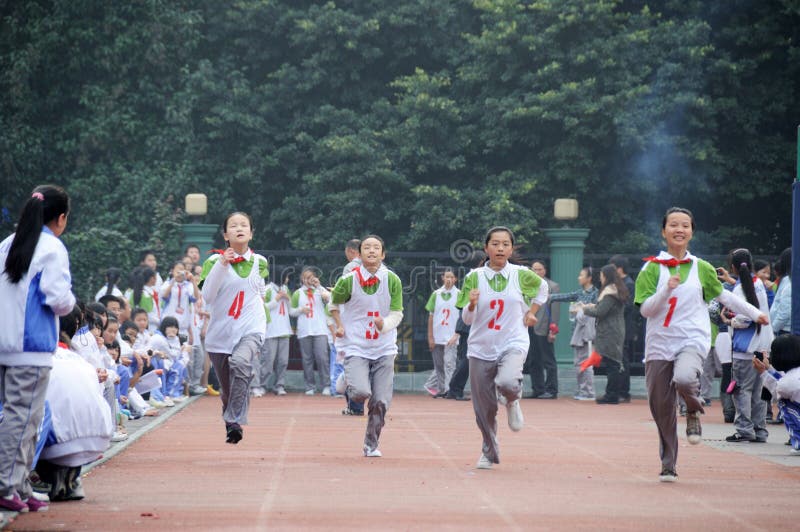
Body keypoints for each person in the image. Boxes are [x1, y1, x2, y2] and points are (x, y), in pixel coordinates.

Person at [634, 207, 768, 482]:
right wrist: (666, 289)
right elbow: (646, 310)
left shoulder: (701, 267)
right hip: (659, 345)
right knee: (661, 408)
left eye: (685, 225)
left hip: (692, 340)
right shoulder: (652, 268)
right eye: (673, 225)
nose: (679, 229)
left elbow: (727, 299)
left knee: (684, 379)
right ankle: (668, 463)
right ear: (664, 231)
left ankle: (693, 407)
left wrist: (756, 314)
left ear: (692, 231)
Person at [0, 185, 76, 513]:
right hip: (30, 345)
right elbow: (58, 299)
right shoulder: (52, 248)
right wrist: (71, 303)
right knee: (24, 417)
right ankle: (7, 484)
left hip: (5, 339)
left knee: (18, 415)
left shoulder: (7, 243)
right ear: (60, 218)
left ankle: (18, 484)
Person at [457, 227, 548, 469]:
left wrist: (532, 312)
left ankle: (512, 400)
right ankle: (488, 450)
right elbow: (466, 319)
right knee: (484, 409)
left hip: (513, 341)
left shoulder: (521, 274)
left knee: (508, 381)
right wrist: (472, 304)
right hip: (480, 347)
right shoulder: (473, 277)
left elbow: (543, 289)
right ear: (486, 247)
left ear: (511, 248)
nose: (500, 248)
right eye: (495, 244)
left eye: (505, 244)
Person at [330, 235, 403, 457]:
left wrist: (385, 324)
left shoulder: (392, 280)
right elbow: (333, 303)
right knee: (361, 393)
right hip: (356, 345)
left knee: (380, 401)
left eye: (376, 248)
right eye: (367, 248)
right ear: (359, 254)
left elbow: (397, 312)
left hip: (383, 347)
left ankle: (371, 443)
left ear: (383, 254)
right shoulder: (348, 280)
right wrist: (340, 325)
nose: (371, 251)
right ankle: (348, 380)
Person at [200, 211, 268, 444]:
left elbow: (260, 293)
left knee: (240, 363)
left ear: (251, 232)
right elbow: (207, 296)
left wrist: (262, 323)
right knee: (228, 391)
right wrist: (222, 264)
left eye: (244, 225)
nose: (239, 228)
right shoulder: (212, 262)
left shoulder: (260, 262)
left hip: (251, 329)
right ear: (225, 234)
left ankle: (235, 418)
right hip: (220, 334)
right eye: (233, 225)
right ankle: (232, 422)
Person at [725, 248, 774, 443]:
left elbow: (745, 319)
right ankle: (759, 430)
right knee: (758, 390)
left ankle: (744, 429)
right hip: (763, 345)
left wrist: (730, 321)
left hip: (745, 347)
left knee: (741, 389)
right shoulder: (759, 283)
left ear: (733, 267)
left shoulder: (739, 289)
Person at [578, 264, 628, 404]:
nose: (600, 277)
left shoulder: (610, 292)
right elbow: (604, 308)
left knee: (612, 364)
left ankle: (611, 395)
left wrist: (584, 309)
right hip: (614, 329)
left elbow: (600, 312)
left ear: (606, 276)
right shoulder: (615, 290)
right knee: (613, 363)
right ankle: (613, 394)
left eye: (601, 275)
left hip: (610, 331)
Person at [549, 266, 598, 400]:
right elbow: (565, 296)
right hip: (577, 333)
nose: (579, 278)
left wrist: (583, 308)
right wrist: (548, 297)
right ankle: (582, 390)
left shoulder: (596, 294)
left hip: (588, 334)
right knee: (578, 363)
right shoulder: (579, 293)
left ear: (589, 278)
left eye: (582, 275)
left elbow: (598, 309)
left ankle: (588, 392)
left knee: (587, 363)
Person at [755, 334, 800, 454]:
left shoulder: (788, 382)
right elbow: (783, 380)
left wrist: (763, 373)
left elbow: (778, 392)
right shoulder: (794, 374)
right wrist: (769, 369)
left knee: (783, 405)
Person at [291, 267, 332, 395]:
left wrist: (319, 286)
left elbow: (331, 299)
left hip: (320, 329)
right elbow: (291, 311)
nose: (308, 280)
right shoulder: (298, 293)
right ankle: (310, 386)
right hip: (304, 329)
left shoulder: (319, 291)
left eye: (310, 277)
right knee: (307, 359)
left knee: (322, 357)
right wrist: (300, 310)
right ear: (302, 279)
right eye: (305, 278)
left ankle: (326, 385)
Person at [425, 269, 461, 398]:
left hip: (451, 335)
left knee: (449, 363)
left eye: (451, 277)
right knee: (439, 365)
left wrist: (458, 333)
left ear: (455, 279)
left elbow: (463, 315)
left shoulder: (459, 295)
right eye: (447, 277)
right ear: (442, 278)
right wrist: (430, 337)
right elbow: (431, 315)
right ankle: (440, 389)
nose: (449, 279)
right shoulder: (436, 294)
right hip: (437, 334)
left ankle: (448, 389)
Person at [257, 269, 293, 396]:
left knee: (283, 361)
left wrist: (288, 299)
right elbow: (262, 307)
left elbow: (290, 310)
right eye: (286, 277)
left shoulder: (285, 289)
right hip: (271, 330)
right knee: (268, 361)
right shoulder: (267, 289)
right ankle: (262, 385)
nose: (288, 280)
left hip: (285, 329)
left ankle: (279, 385)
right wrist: (276, 299)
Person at [528, 260, 560, 399]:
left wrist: (552, 329)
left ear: (544, 270)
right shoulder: (528, 286)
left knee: (548, 360)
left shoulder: (553, 286)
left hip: (544, 327)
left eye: (539, 269)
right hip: (529, 327)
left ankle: (552, 389)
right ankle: (538, 389)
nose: (536, 272)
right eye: (534, 269)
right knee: (533, 360)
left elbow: (555, 311)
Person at [609, 255, 636, 402]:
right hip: (617, 326)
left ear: (619, 268)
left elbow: (628, 306)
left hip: (624, 327)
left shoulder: (628, 284)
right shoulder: (619, 283)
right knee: (617, 359)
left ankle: (624, 391)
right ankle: (620, 390)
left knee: (622, 360)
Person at [770, 247, 791, 336]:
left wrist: (773, 329)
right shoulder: (786, 280)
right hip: (782, 328)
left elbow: (785, 312)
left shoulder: (791, 284)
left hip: (785, 330)